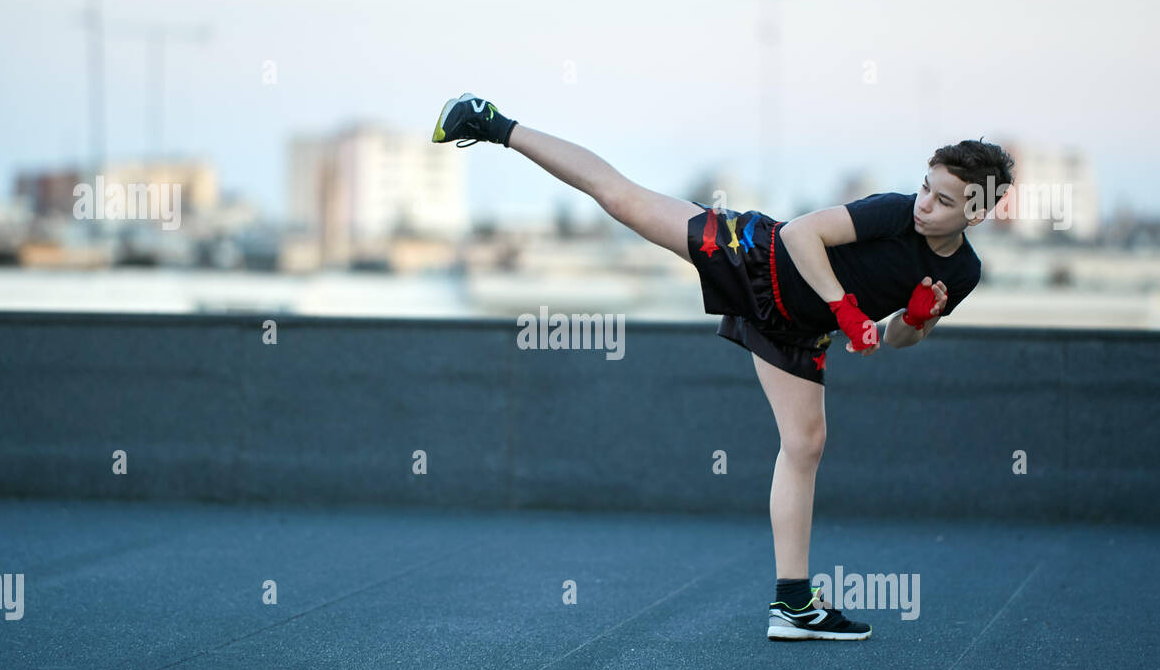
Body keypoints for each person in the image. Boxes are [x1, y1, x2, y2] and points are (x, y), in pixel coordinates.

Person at [432, 92, 1014, 641]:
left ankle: (792, 604)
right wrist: (845, 307)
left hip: (796, 329)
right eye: (924, 187)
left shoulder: (962, 274)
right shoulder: (892, 212)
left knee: (806, 444)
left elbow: (893, 341)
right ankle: (492, 123)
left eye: (942, 201)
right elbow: (803, 235)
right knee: (623, 199)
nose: (924, 204)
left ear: (978, 212)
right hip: (753, 258)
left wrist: (916, 319)